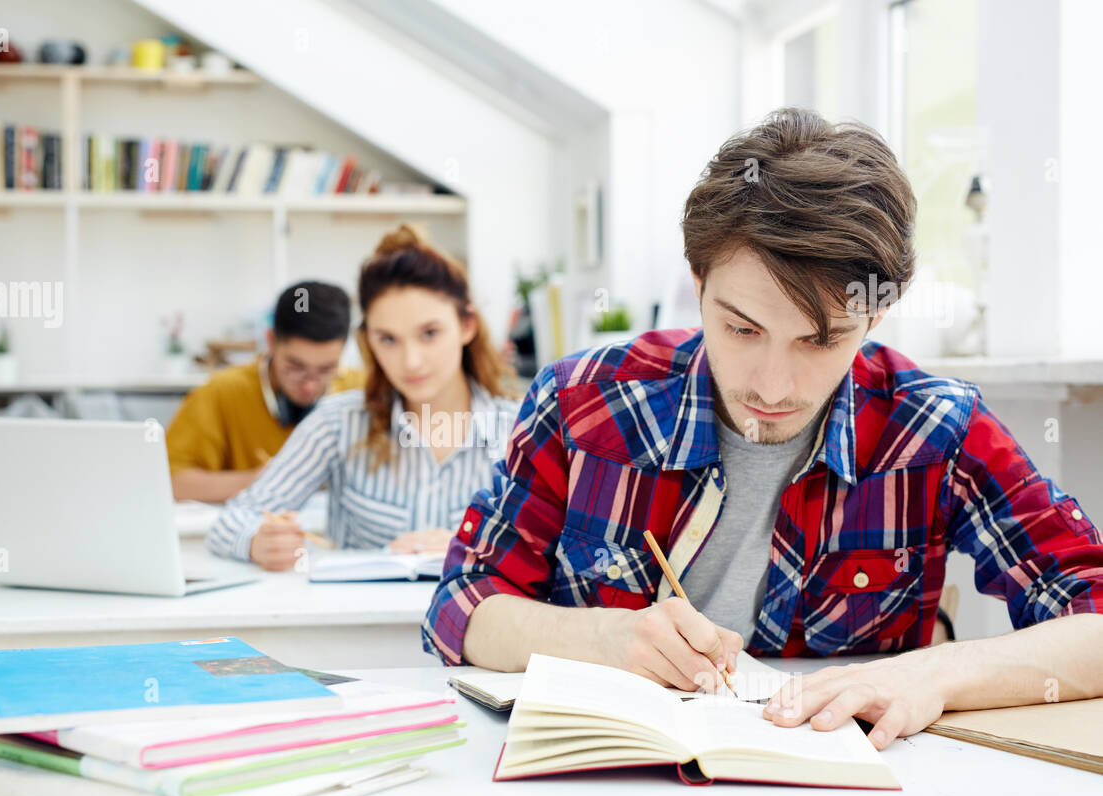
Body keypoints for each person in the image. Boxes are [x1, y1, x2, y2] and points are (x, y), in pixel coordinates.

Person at [421, 108, 1103, 750]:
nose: (773, 388)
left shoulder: (934, 426)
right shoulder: (582, 402)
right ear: (697, 284)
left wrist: (930, 674)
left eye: (821, 341)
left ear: (876, 317)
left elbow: (1092, 613)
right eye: (742, 329)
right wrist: (604, 639)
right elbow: (462, 605)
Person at [206, 224, 521, 569]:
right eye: (388, 339)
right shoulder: (337, 422)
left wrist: (476, 548)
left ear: (466, 326)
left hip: (472, 623)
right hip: (356, 621)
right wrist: (256, 541)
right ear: (367, 340)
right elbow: (233, 519)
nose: (410, 361)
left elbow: (561, 556)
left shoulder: (519, 431)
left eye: (429, 333)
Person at [165, 280, 364, 503]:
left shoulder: (362, 392)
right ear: (270, 341)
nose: (309, 385)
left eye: (326, 369)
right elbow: (169, 481)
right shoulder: (222, 392)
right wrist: (263, 479)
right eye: (295, 368)